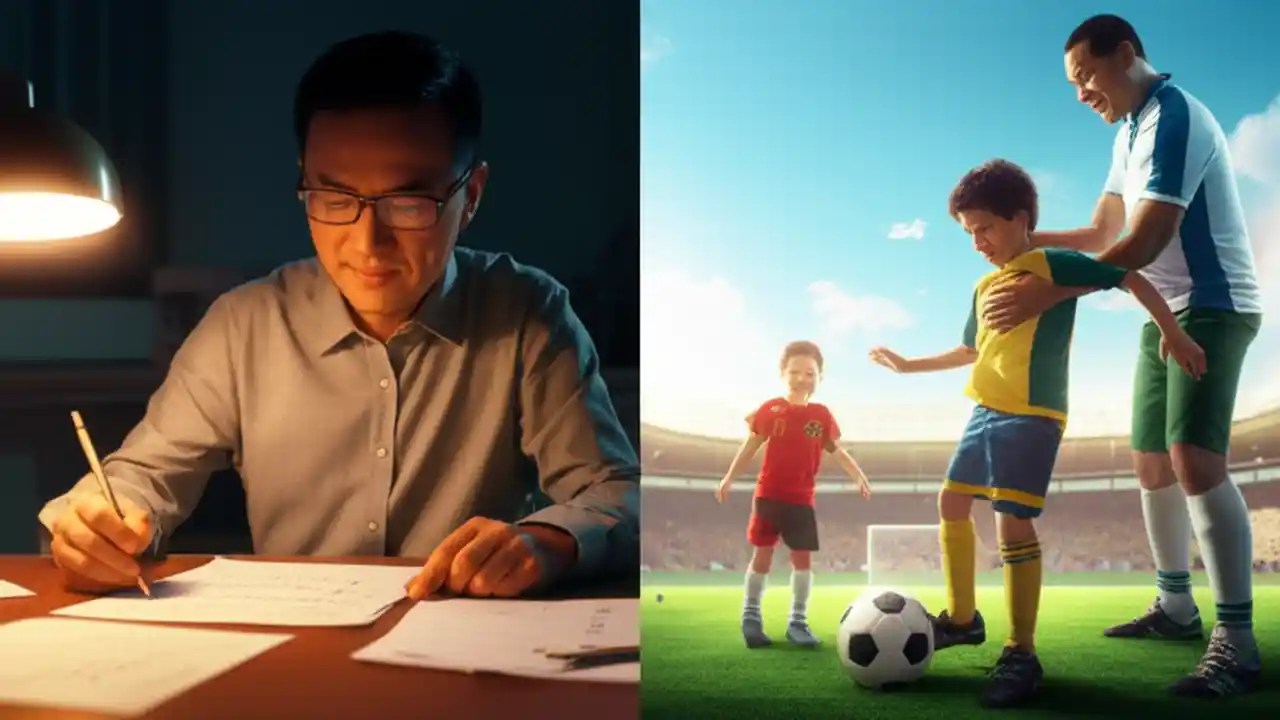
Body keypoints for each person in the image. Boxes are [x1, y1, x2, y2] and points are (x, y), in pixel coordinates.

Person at [37, 31, 638, 602]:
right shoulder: (245, 325)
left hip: (471, 650)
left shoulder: (528, 313)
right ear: (304, 184)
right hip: (299, 656)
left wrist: (549, 541)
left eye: (408, 202)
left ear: (470, 197)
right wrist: (96, 526)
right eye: (335, 199)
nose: (367, 243)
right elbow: (143, 478)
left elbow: (617, 493)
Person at [980, 15, 1263, 697]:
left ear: (1127, 55)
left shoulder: (1174, 119)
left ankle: (1239, 642)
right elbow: (1102, 228)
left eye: (1086, 76)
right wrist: (1010, 236)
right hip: (1163, 312)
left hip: (1214, 304)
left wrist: (1048, 291)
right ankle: (1175, 606)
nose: (1080, 93)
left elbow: (1142, 239)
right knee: (1149, 462)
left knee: (1194, 460)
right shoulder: (1127, 133)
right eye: (1073, 83)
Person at [869, 159, 1205, 709]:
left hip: (1031, 414)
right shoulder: (983, 285)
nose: (978, 241)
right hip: (983, 410)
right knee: (951, 502)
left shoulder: (1051, 263)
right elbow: (971, 351)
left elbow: (1127, 275)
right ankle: (961, 619)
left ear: (1021, 219)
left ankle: (1021, 652)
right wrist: (909, 366)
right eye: (969, 233)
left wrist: (1173, 333)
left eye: (986, 228)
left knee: (1011, 523)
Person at [715, 341, 872, 649]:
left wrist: (859, 475)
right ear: (782, 373)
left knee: (802, 561)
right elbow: (751, 445)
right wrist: (729, 477)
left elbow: (837, 451)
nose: (802, 378)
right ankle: (751, 618)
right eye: (795, 371)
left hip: (801, 499)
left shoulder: (821, 414)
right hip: (769, 495)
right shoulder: (771, 409)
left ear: (819, 377)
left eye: (810, 373)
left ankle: (797, 622)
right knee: (762, 555)